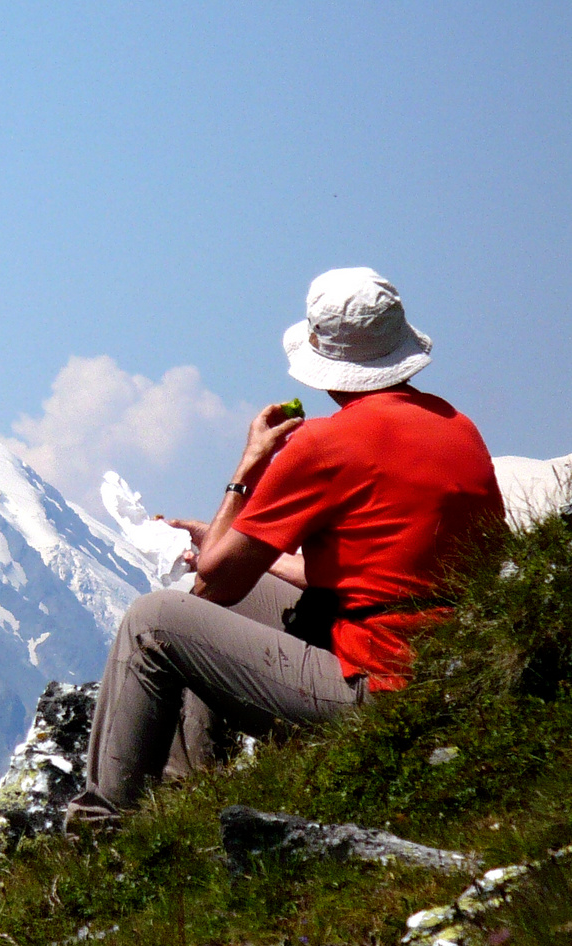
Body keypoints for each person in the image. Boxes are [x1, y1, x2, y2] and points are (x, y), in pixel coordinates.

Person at [62, 267, 506, 826]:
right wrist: (248, 551)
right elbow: (380, 573)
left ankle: (103, 826)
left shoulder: (323, 443)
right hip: (450, 669)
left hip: (380, 689)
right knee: (237, 599)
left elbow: (214, 583)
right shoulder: (456, 425)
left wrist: (248, 470)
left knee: (156, 620)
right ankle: (187, 800)